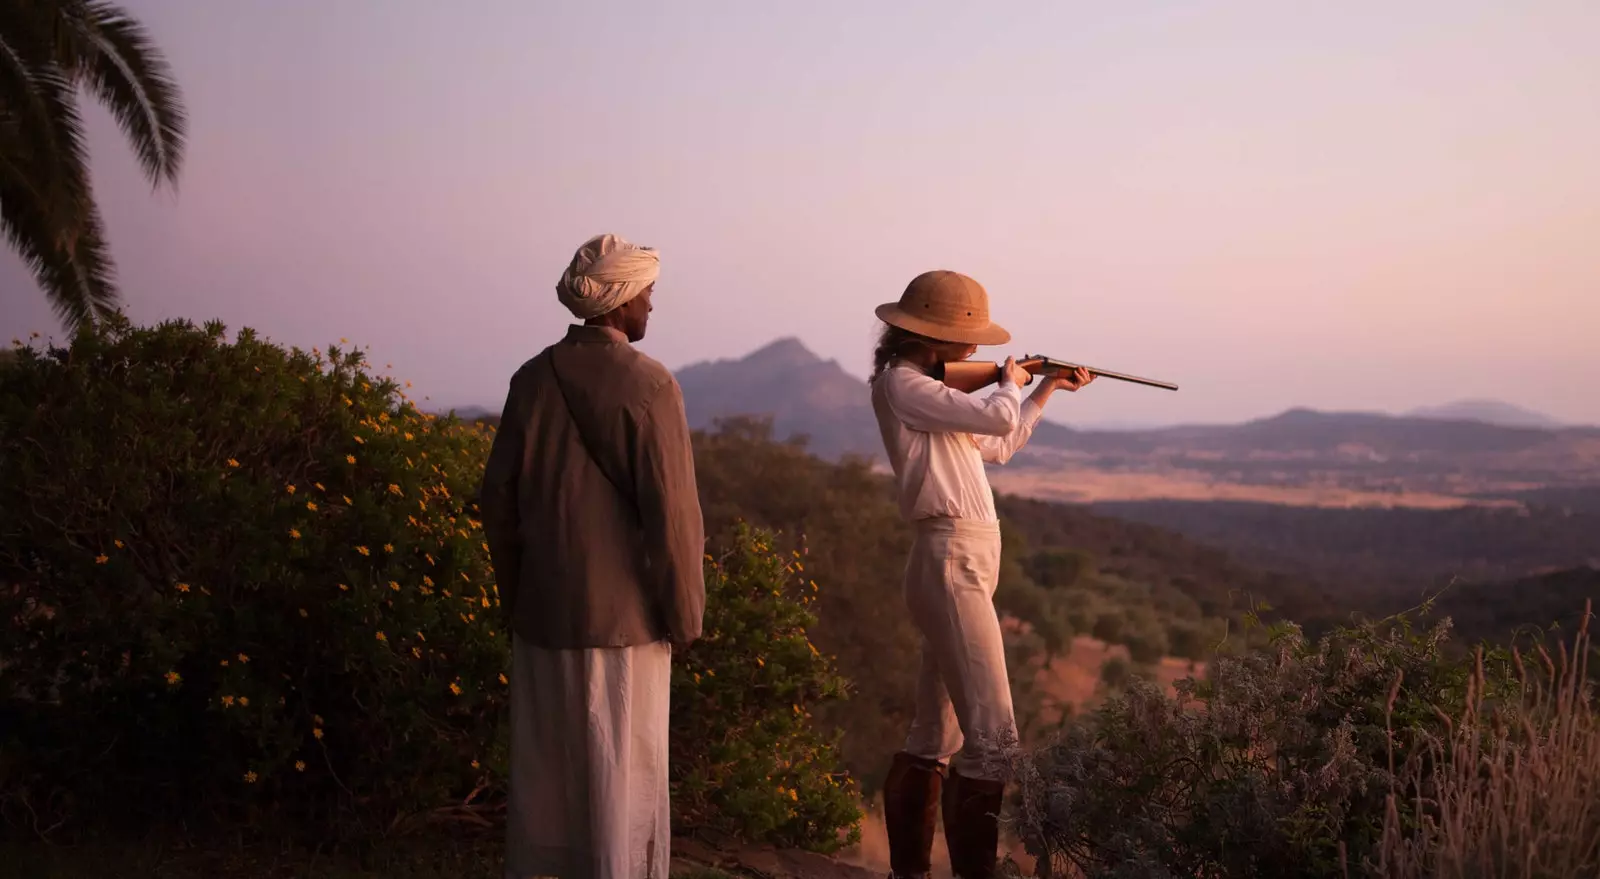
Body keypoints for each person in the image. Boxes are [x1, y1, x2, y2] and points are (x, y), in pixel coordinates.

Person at [479, 233, 707, 879]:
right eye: (648, 296)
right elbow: (674, 515)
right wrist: (685, 614)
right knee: (621, 771)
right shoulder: (648, 382)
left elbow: (497, 497)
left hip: (543, 611)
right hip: (625, 620)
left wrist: (516, 593)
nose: (652, 310)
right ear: (621, 299)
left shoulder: (532, 376)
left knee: (549, 773)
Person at [868, 270, 1094, 879]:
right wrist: (1008, 381)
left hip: (960, 562)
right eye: (966, 338)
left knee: (933, 734)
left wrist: (1039, 390)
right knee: (995, 742)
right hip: (950, 560)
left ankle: (908, 872)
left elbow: (1000, 441)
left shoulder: (935, 397)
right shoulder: (903, 385)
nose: (977, 349)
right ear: (932, 336)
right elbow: (995, 419)